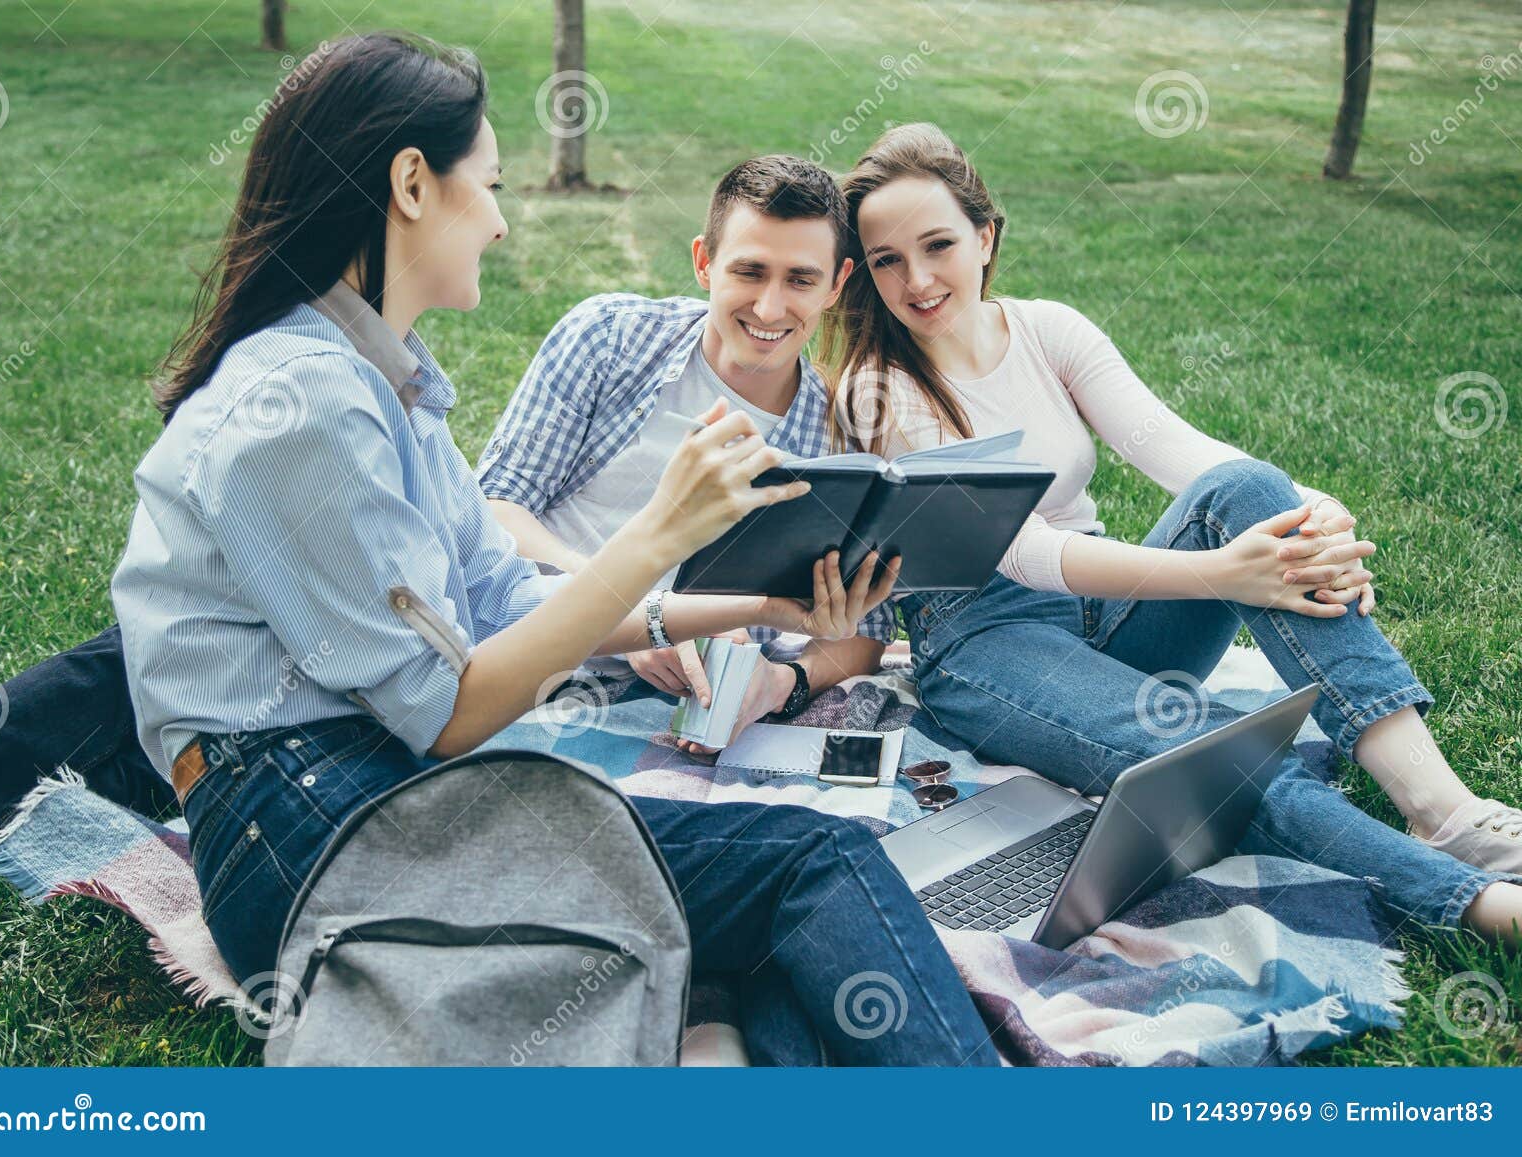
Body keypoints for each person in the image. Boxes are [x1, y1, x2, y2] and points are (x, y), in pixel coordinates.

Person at [102, 35, 990, 1067]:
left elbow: (505, 597)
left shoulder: (385, 383)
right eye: (488, 184)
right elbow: (447, 711)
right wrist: (659, 532)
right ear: (411, 185)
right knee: (815, 861)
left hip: (363, 798)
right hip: (310, 834)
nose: (500, 219)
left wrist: (764, 608)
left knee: (764, 910)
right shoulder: (301, 401)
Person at [826, 121, 1522, 943]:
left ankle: (1445, 811)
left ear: (985, 237)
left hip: (1105, 616)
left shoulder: (1047, 330)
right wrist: (1224, 573)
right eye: (888, 261)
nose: (917, 279)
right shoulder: (879, 388)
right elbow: (1028, 552)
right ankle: (1474, 903)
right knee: (1210, 750)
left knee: (1248, 487)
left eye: (938, 245)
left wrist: (1314, 509)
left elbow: (1175, 448)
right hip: (985, 640)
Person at [478, 154, 892, 753]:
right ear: (704, 263)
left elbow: (866, 631)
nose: (770, 308)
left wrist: (782, 683)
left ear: (836, 284)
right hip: (530, 654)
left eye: (800, 280)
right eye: (749, 272)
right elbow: (496, 507)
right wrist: (633, 616)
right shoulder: (609, 338)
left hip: (693, 704)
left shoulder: (838, 434)